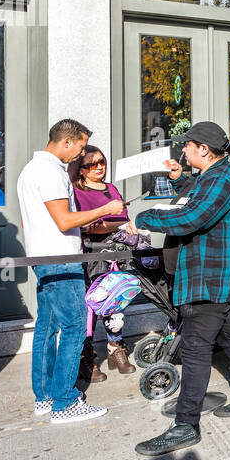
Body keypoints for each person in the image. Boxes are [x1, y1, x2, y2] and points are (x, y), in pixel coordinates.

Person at [134, 122, 230, 455]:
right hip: (211, 275)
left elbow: (191, 218)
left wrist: (143, 218)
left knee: (195, 350)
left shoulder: (221, 179)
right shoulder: (211, 176)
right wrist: (180, 179)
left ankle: (185, 424)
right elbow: (194, 198)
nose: (183, 150)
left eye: (188, 147)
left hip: (210, 278)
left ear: (204, 150)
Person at [17, 119, 123, 425]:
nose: (81, 153)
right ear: (66, 142)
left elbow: (41, 221)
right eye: (80, 146)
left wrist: (80, 221)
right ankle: (65, 402)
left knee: (47, 329)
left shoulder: (31, 170)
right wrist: (106, 209)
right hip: (61, 259)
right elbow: (64, 221)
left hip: (43, 255)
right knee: (76, 327)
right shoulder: (50, 171)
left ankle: (45, 396)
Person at [70, 145, 136, 376]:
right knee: (92, 307)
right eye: (91, 164)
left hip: (116, 253)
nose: (98, 167)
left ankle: (115, 348)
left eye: (102, 162)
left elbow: (123, 217)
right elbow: (88, 227)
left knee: (115, 303)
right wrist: (115, 221)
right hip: (93, 254)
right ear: (80, 170)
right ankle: (86, 355)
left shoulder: (111, 188)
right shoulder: (77, 192)